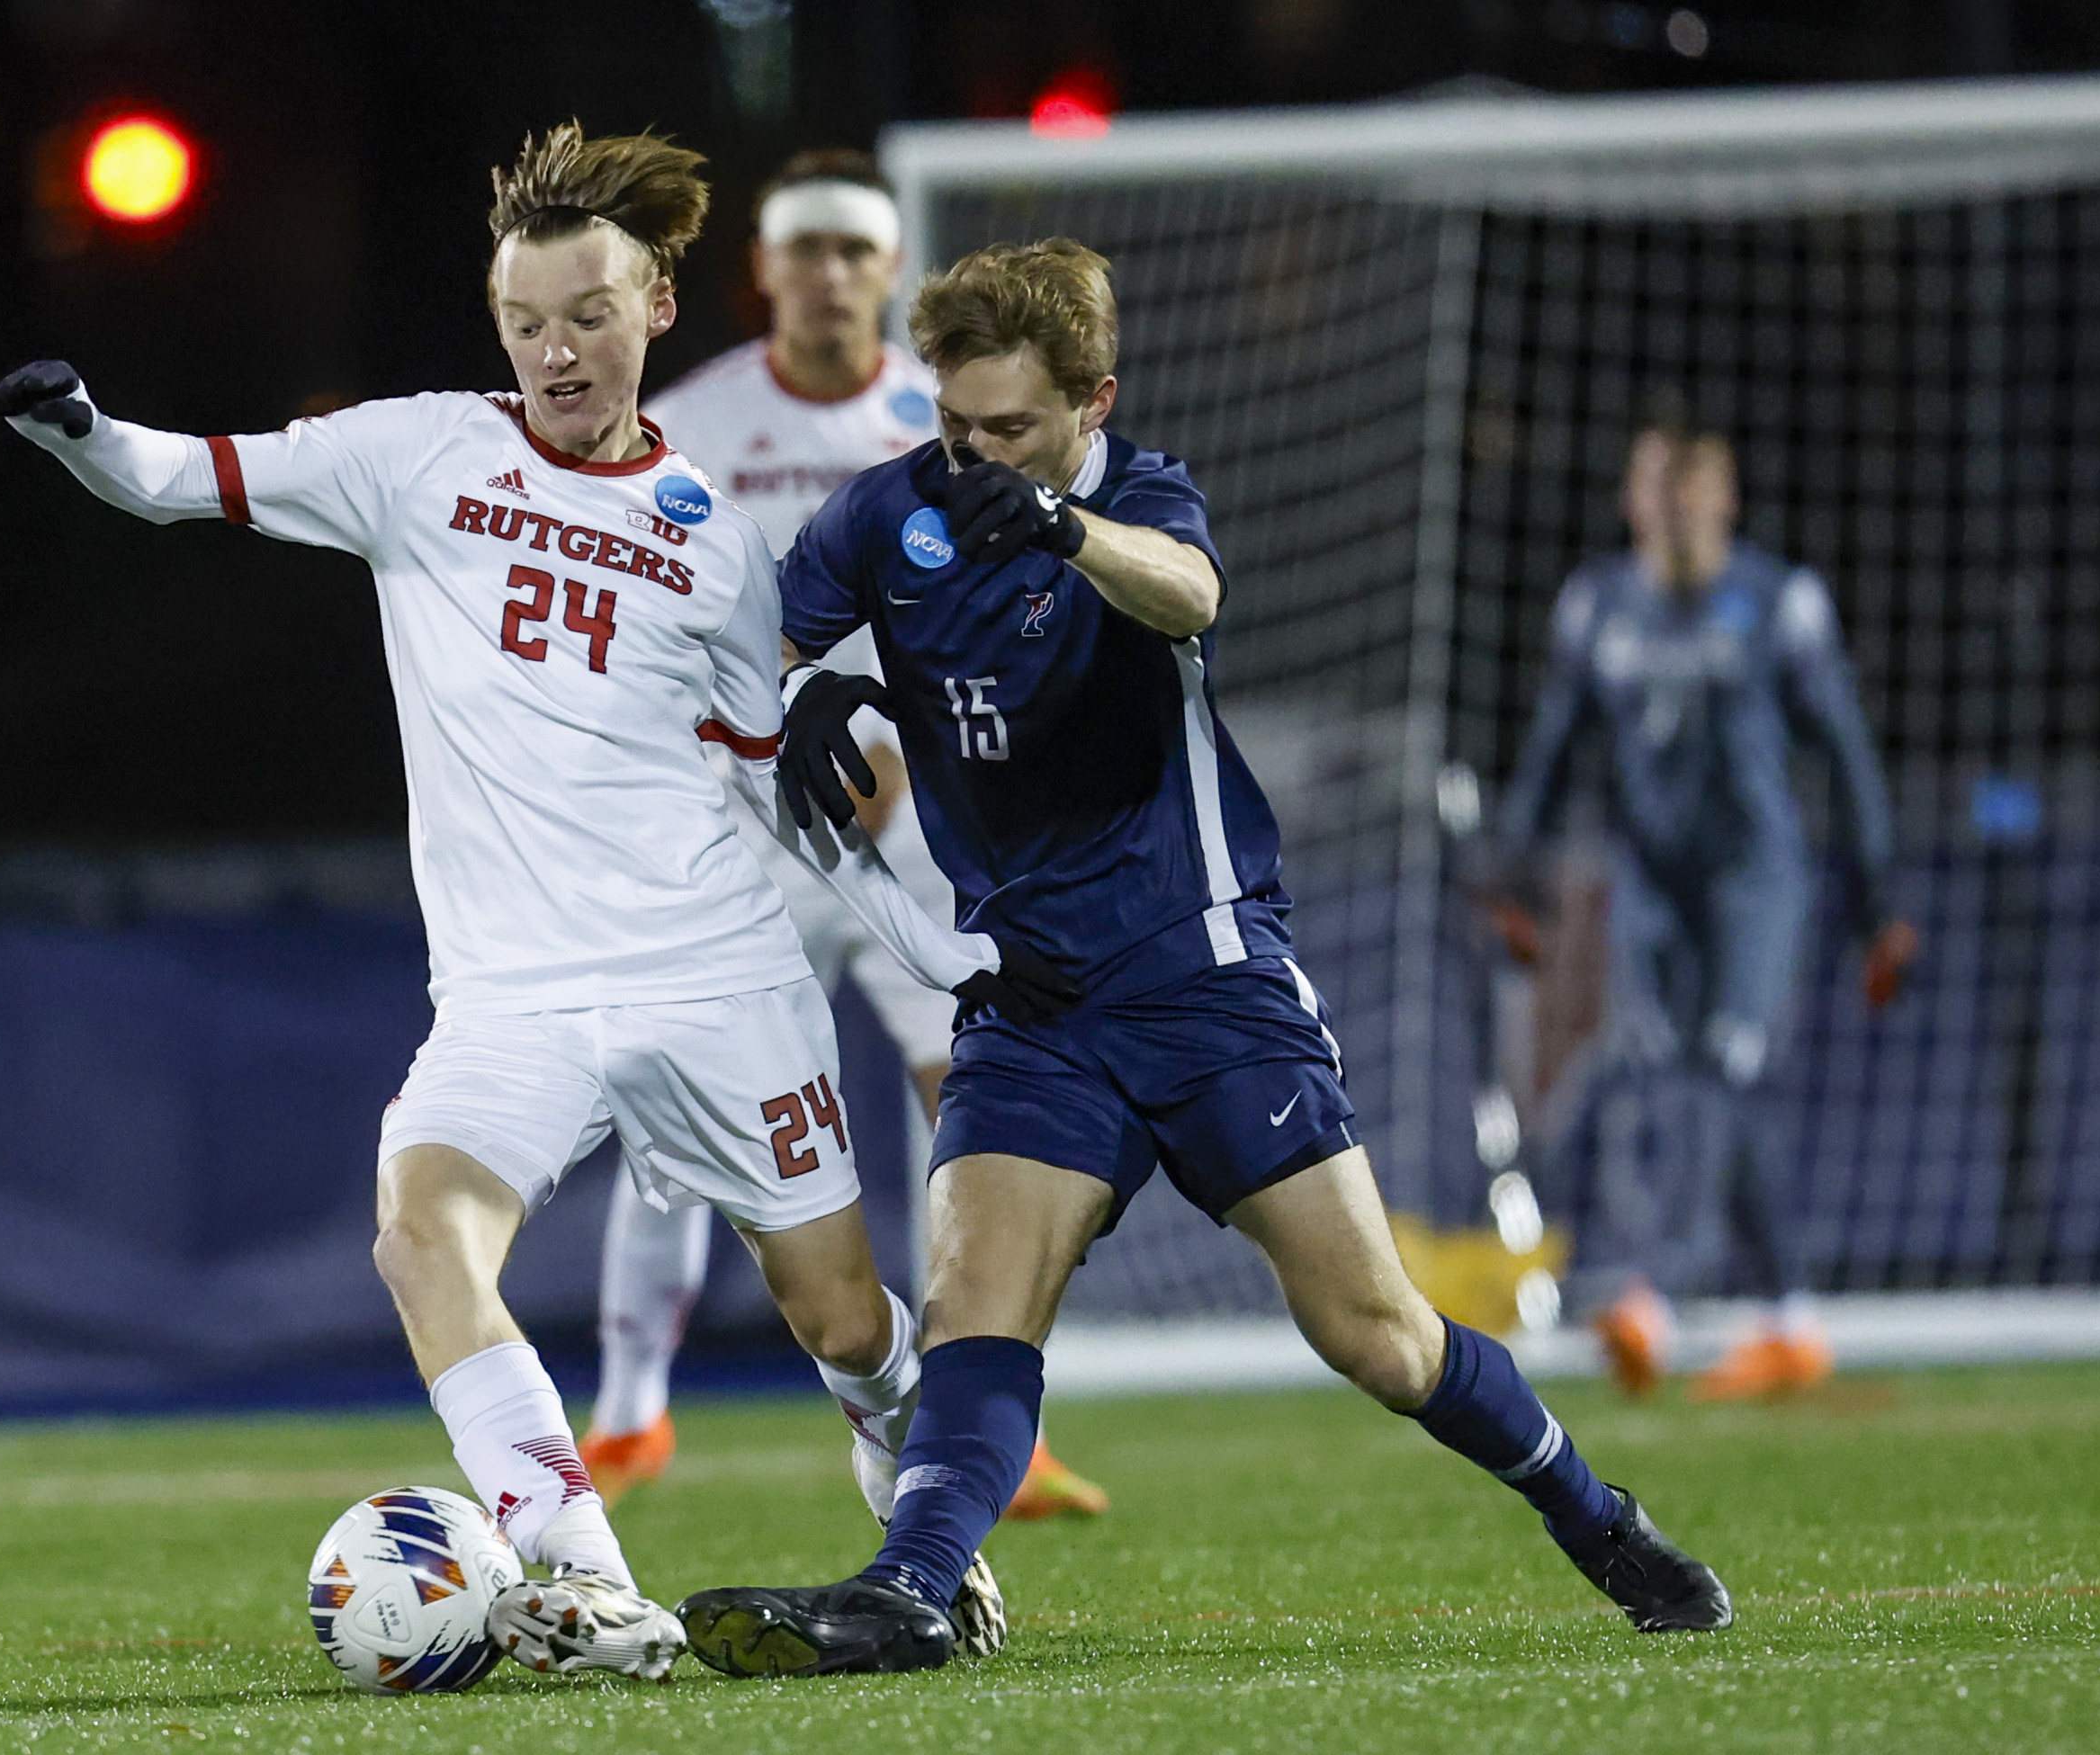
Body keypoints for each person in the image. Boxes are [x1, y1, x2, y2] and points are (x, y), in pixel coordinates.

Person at [0, 123, 1062, 1683]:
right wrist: (78, 429)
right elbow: (182, 479)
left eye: (589, 316)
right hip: (511, 995)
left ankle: (929, 1525)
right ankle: (586, 1580)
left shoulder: (709, 545)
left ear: (659, 308)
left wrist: (947, 952)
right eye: (527, 321)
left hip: (710, 973)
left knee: (838, 1318)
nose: (556, 351)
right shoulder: (415, 455)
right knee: (422, 1239)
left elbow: (789, 803)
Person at [675, 240, 1734, 1679]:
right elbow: (767, 648)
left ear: (1092, 400)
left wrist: (1054, 524)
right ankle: (913, 1587)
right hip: (1030, 995)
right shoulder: (884, 514)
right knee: (972, 1304)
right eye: (954, 425)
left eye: (1012, 429)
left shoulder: (1140, 497)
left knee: (1378, 1335)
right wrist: (802, 695)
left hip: (1206, 974)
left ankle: (1596, 1515)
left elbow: (1187, 593)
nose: (972, 455)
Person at [579, 148, 1108, 1523]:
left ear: (890, 270)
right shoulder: (690, 419)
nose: (829, 276)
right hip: (740, 830)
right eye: (804, 250)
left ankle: (993, 1416)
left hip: (919, 825)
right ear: (764, 270)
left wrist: (900, 747)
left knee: (980, 1104)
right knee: (686, 1096)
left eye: (854, 253)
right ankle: (630, 1406)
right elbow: (652, 621)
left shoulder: (945, 429)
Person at [1495, 414, 1917, 1401]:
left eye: (1695, 491)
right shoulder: (1597, 607)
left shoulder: (1780, 603)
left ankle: (1656, 1294)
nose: (1677, 509)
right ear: (1632, 500)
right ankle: (1788, 1318)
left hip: (1756, 881)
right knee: (1666, 1076)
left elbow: (1845, 753)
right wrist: (1518, 883)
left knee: (1722, 1069)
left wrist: (1877, 906)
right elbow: (1557, 749)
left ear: (1725, 500)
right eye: (1659, 489)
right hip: (1648, 886)